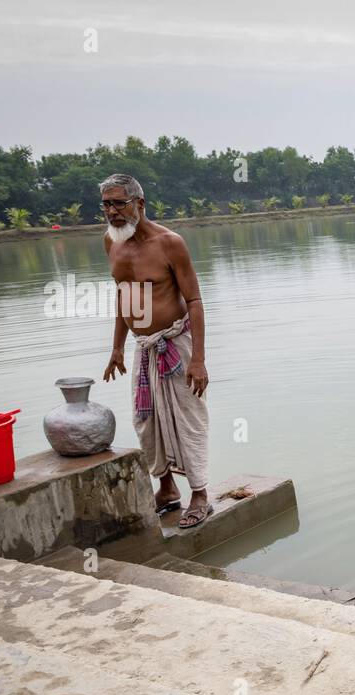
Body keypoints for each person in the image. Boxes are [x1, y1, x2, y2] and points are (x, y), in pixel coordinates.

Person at [98, 173, 213, 529]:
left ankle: (199, 494)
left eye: (119, 203)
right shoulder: (111, 242)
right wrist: (117, 347)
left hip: (176, 343)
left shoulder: (170, 243)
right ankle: (167, 489)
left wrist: (198, 359)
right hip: (143, 346)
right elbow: (124, 296)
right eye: (106, 204)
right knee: (147, 420)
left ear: (139, 204)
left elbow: (193, 300)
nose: (112, 211)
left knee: (186, 417)